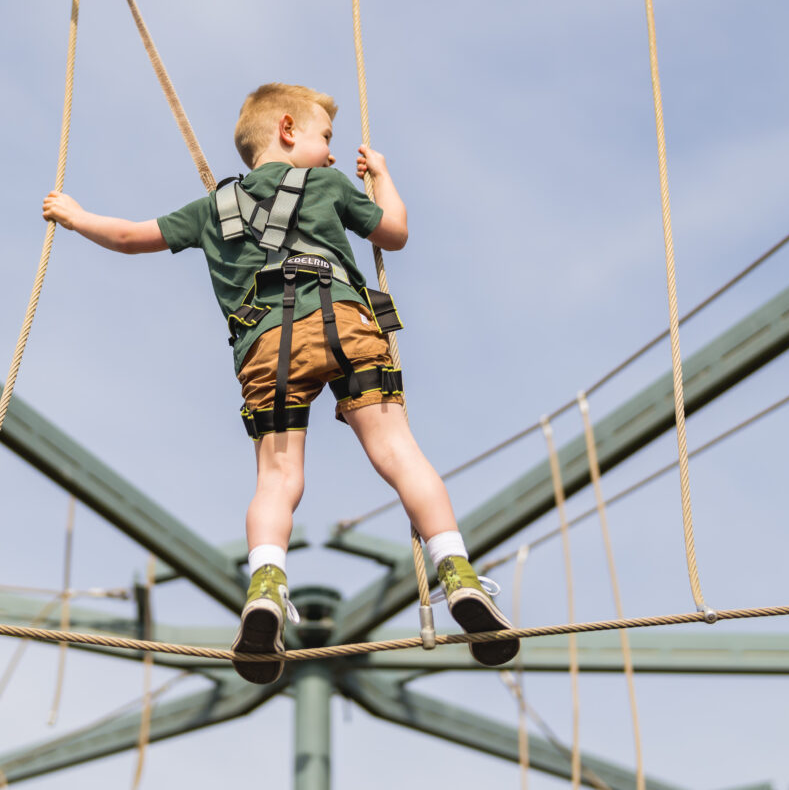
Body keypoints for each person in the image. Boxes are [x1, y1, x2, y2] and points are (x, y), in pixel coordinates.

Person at [43, 82, 518, 684]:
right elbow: (394, 231)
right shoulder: (328, 185)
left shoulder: (212, 210)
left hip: (267, 344)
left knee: (277, 476)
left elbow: (131, 237)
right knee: (399, 452)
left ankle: (265, 588)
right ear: (290, 131)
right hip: (344, 322)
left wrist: (75, 215)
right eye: (326, 139)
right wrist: (383, 176)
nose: (332, 153)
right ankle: (457, 573)